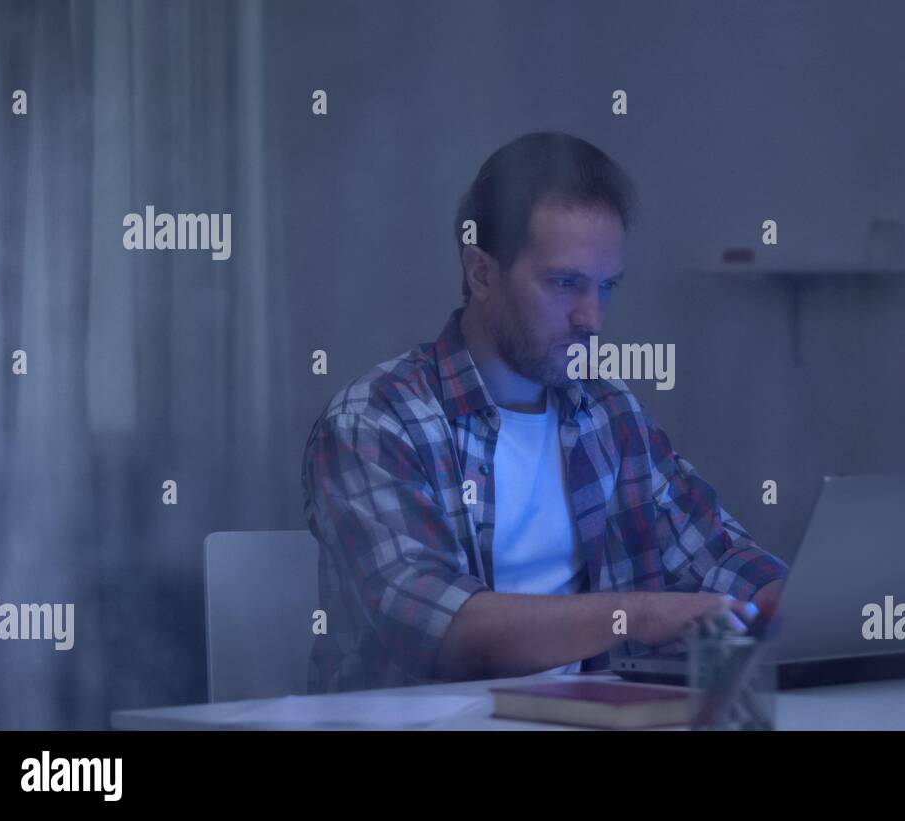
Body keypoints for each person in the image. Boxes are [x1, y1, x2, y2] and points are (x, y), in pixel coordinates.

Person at [302, 131, 787, 692]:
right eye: (564, 284)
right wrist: (642, 615)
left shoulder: (609, 412)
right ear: (481, 272)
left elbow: (719, 555)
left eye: (606, 287)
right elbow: (444, 634)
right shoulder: (375, 419)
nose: (592, 318)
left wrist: (795, 604)